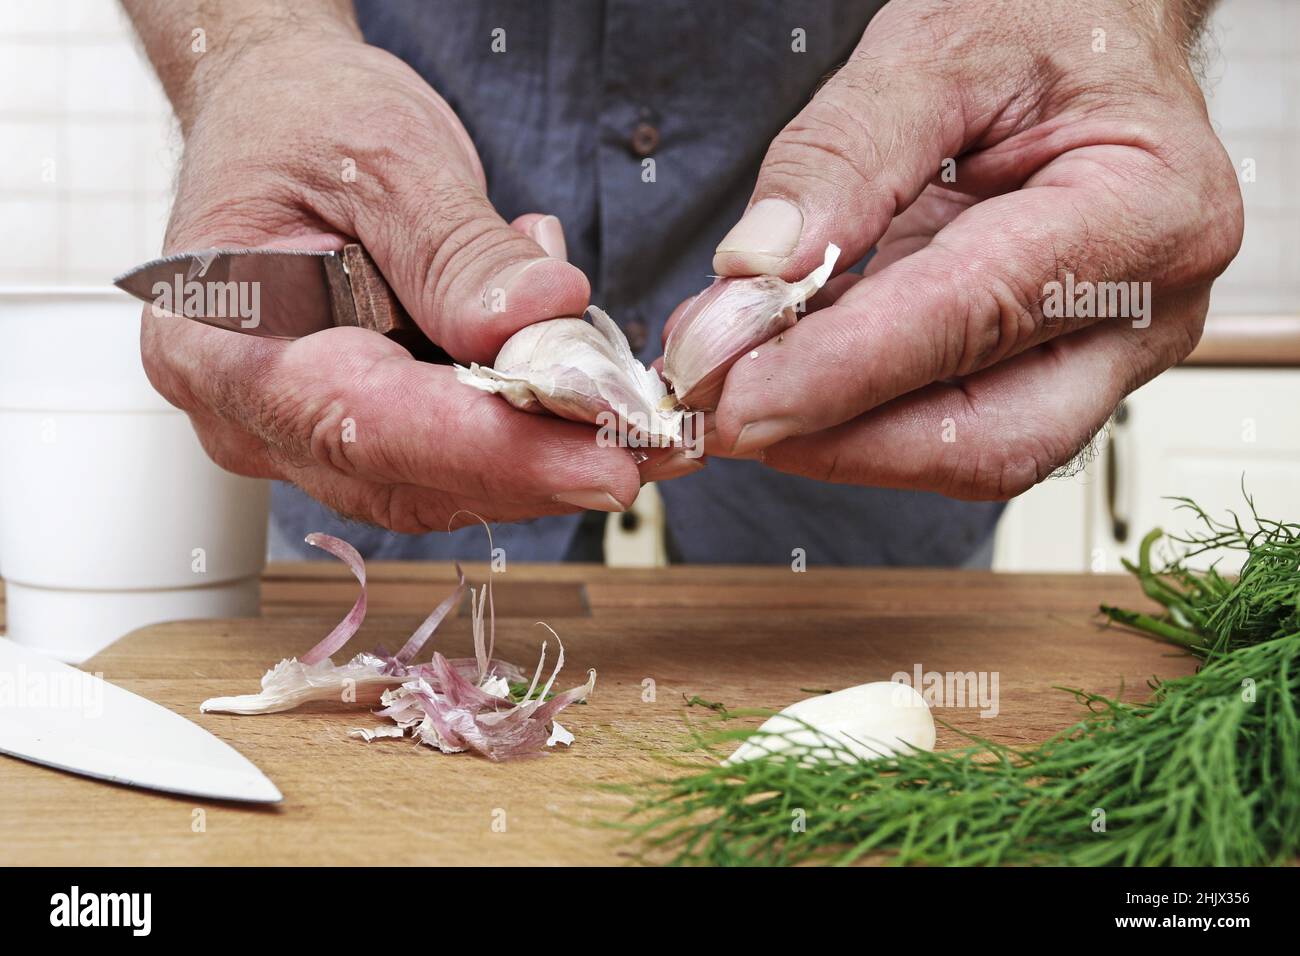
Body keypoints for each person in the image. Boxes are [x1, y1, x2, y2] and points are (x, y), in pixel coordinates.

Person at [121, 0, 1242, 565]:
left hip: (887, 265)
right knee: (378, 761)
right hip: (381, 304)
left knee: (866, 735)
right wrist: (255, 49)